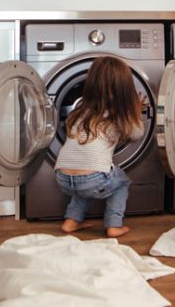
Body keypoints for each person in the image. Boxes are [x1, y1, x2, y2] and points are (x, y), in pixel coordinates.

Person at [54, 56, 146, 238]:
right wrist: (135, 112)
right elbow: (137, 134)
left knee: (83, 179)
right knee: (121, 183)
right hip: (93, 179)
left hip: (62, 177)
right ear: (125, 89)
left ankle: (71, 221)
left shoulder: (80, 109)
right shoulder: (120, 114)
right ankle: (114, 225)